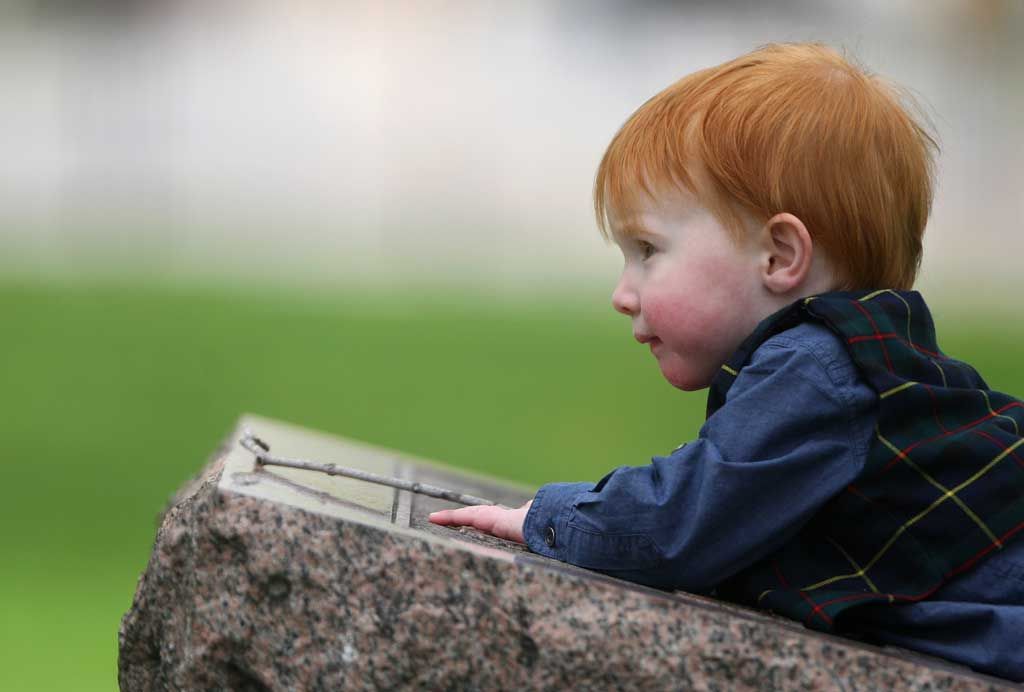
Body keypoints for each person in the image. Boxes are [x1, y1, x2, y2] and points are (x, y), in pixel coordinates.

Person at [429, 43, 1024, 682]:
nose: (622, 293)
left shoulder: (816, 369)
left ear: (778, 256)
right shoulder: (852, 359)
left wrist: (545, 518)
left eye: (647, 249)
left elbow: (679, 524)